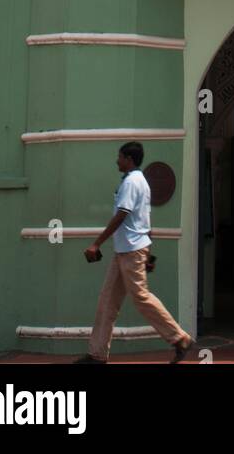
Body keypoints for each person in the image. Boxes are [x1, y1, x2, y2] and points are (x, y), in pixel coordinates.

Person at [73, 141, 193, 365]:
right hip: (127, 250)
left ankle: (179, 338)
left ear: (129, 159)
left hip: (131, 251)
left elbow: (122, 215)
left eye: (119, 157)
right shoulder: (141, 182)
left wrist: (96, 243)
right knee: (107, 302)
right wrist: (149, 253)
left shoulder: (131, 182)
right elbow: (146, 221)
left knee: (141, 297)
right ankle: (97, 354)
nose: (116, 160)